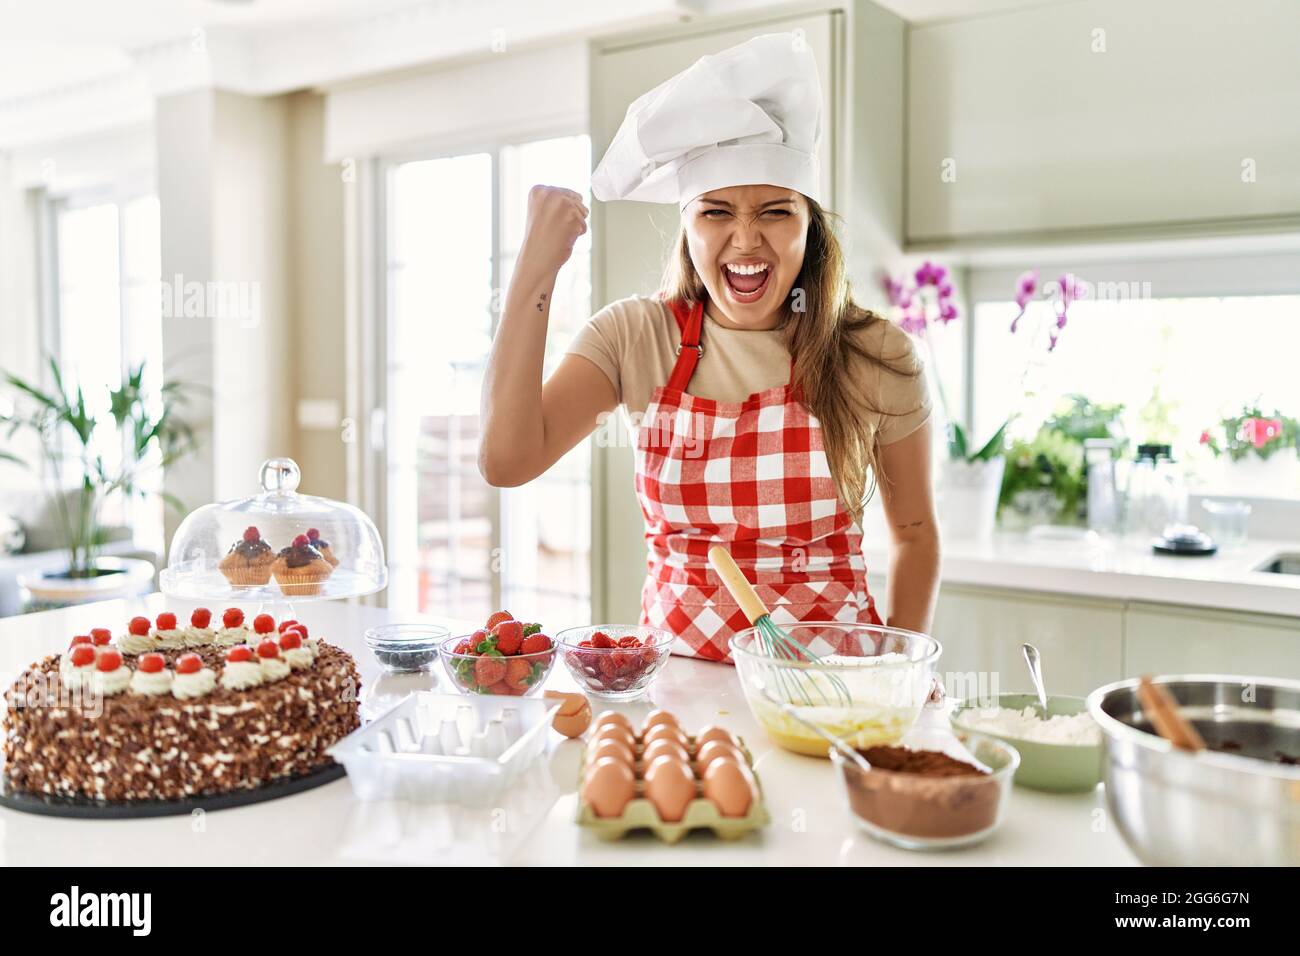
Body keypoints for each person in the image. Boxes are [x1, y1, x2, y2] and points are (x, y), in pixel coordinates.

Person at [480, 33, 939, 661]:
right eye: (716, 212)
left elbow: (915, 533)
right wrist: (536, 268)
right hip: (678, 683)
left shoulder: (875, 353)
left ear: (810, 226)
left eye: (775, 212)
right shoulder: (634, 337)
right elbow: (506, 462)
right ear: (686, 226)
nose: (746, 240)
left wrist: (899, 669)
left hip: (832, 684)